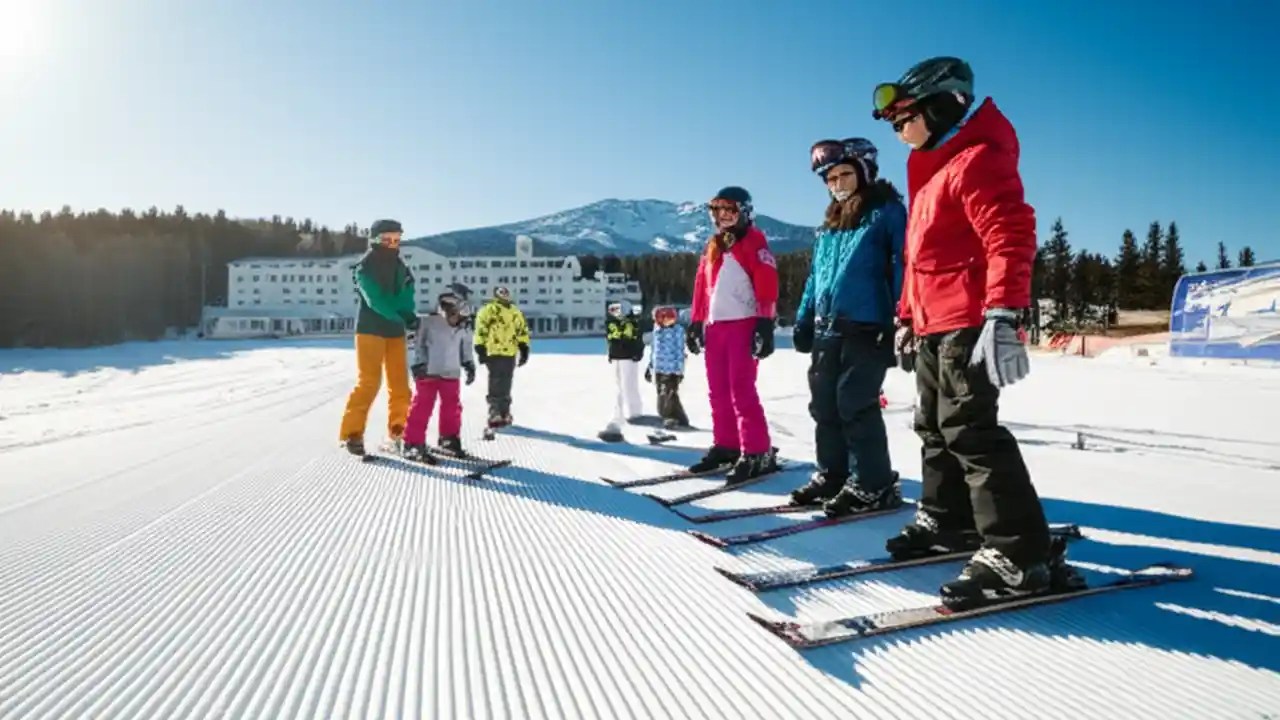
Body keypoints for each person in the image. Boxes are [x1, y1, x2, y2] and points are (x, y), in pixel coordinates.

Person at [871, 56, 1061, 601]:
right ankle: (948, 519)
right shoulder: (933, 173)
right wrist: (907, 316)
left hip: (968, 320)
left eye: (904, 119)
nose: (899, 131)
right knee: (932, 425)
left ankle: (1018, 553)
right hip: (933, 322)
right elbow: (919, 258)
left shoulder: (976, 160)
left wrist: (1003, 312)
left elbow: (1010, 235)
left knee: (970, 430)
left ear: (940, 105)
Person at [789, 138, 907, 517]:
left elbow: (903, 265)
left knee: (855, 404)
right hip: (828, 327)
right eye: (831, 178)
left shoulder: (887, 213)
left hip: (867, 324)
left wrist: (901, 316)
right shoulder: (829, 226)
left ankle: (874, 484)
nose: (837, 183)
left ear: (865, 171)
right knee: (824, 405)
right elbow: (815, 278)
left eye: (844, 175)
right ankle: (833, 474)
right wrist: (805, 317)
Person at [685, 186, 780, 483]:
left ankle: (757, 450)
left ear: (744, 212)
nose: (722, 216)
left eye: (729, 210)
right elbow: (703, 286)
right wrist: (696, 321)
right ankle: (727, 444)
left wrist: (765, 323)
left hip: (744, 323)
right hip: (716, 327)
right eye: (717, 211)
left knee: (742, 389)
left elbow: (767, 282)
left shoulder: (754, 242)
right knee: (718, 390)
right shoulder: (713, 245)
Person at [338, 219, 417, 456]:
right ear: (374, 240)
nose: (393, 244)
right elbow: (376, 300)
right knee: (369, 383)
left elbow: (407, 298)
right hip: (370, 330)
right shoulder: (364, 267)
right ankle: (353, 434)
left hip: (395, 333)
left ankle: (398, 432)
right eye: (387, 239)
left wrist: (409, 316)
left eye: (396, 239)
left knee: (401, 386)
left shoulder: (402, 267)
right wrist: (400, 314)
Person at [402, 288, 477, 462]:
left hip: (451, 371)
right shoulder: (427, 322)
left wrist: (469, 363)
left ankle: (448, 439)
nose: (455, 318)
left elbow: (465, 346)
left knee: (452, 407)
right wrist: (417, 363)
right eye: (453, 313)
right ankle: (413, 443)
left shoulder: (464, 326)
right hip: (428, 370)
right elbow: (414, 344)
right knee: (422, 407)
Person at [472, 285, 530, 428]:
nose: (504, 295)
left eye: (506, 292)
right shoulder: (488, 310)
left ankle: (505, 412)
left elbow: (522, 331)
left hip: (509, 352)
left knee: (506, 382)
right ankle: (494, 411)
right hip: (494, 351)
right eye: (501, 292)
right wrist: (480, 348)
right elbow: (481, 330)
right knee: (496, 382)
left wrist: (524, 348)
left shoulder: (515, 312)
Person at [598, 299, 645, 441]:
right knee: (620, 386)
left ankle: (632, 413)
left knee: (628, 386)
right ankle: (629, 413)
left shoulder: (630, 323)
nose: (615, 314)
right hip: (618, 357)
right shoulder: (614, 323)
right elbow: (612, 338)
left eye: (618, 310)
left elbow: (635, 339)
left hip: (628, 357)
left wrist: (638, 352)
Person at [646, 305, 690, 429]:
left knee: (669, 394)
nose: (667, 323)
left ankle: (669, 417)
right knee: (664, 393)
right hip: (659, 369)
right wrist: (650, 367)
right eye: (663, 320)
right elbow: (654, 351)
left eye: (670, 320)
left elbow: (679, 352)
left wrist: (679, 371)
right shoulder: (657, 331)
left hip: (672, 370)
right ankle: (679, 418)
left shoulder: (677, 331)